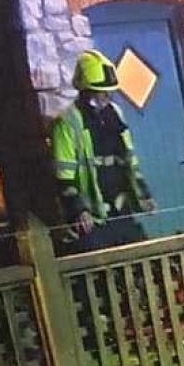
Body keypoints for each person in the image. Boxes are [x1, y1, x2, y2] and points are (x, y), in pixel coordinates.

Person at [52, 50, 155, 254]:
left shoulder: (114, 114)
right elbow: (64, 177)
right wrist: (78, 210)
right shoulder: (67, 123)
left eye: (108, 92)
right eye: (101, 92)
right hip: (93, 218)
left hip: (122, 209)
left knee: (140, 255)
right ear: (86, 91)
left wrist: (143, 194)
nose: (106, 97)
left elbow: (129, 159)